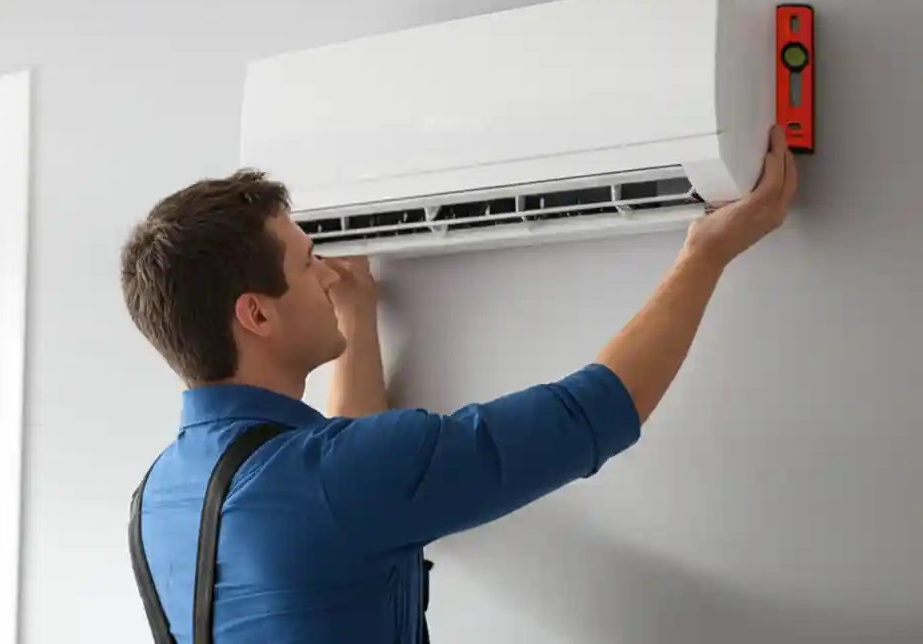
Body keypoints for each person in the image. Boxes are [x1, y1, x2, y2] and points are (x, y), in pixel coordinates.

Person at [120, 126, 798, 643]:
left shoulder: (158, 495)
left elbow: (337, 482)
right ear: (256, 313)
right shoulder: (338, 478)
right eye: (306, 263)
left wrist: (356, 314)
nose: (325, 272)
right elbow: (589, 413)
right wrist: (706, 254)